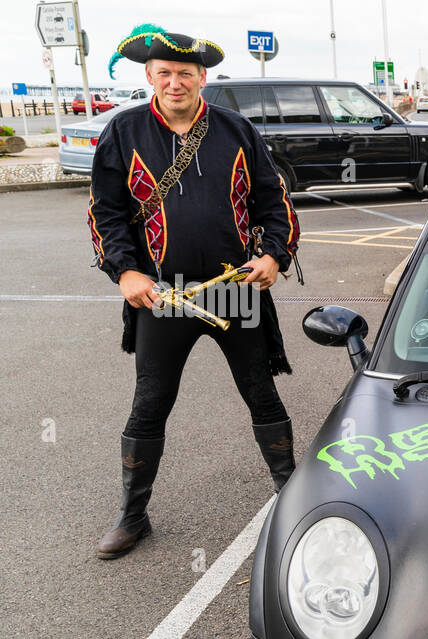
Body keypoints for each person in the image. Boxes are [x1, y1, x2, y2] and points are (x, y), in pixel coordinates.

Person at [89, 24, 302, 559]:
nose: (175, 82)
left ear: (202, 78)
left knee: (261, 394)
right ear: (150, 76)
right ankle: (133, 515)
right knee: (150, 403)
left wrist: (273, 255)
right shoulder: (123, 131)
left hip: (233, 287)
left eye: (185, 73)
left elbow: (274, 201)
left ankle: (294, 502)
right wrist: (126, 273)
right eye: (164, 73)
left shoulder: (236, 129)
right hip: (162, 296)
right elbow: (105, 212)